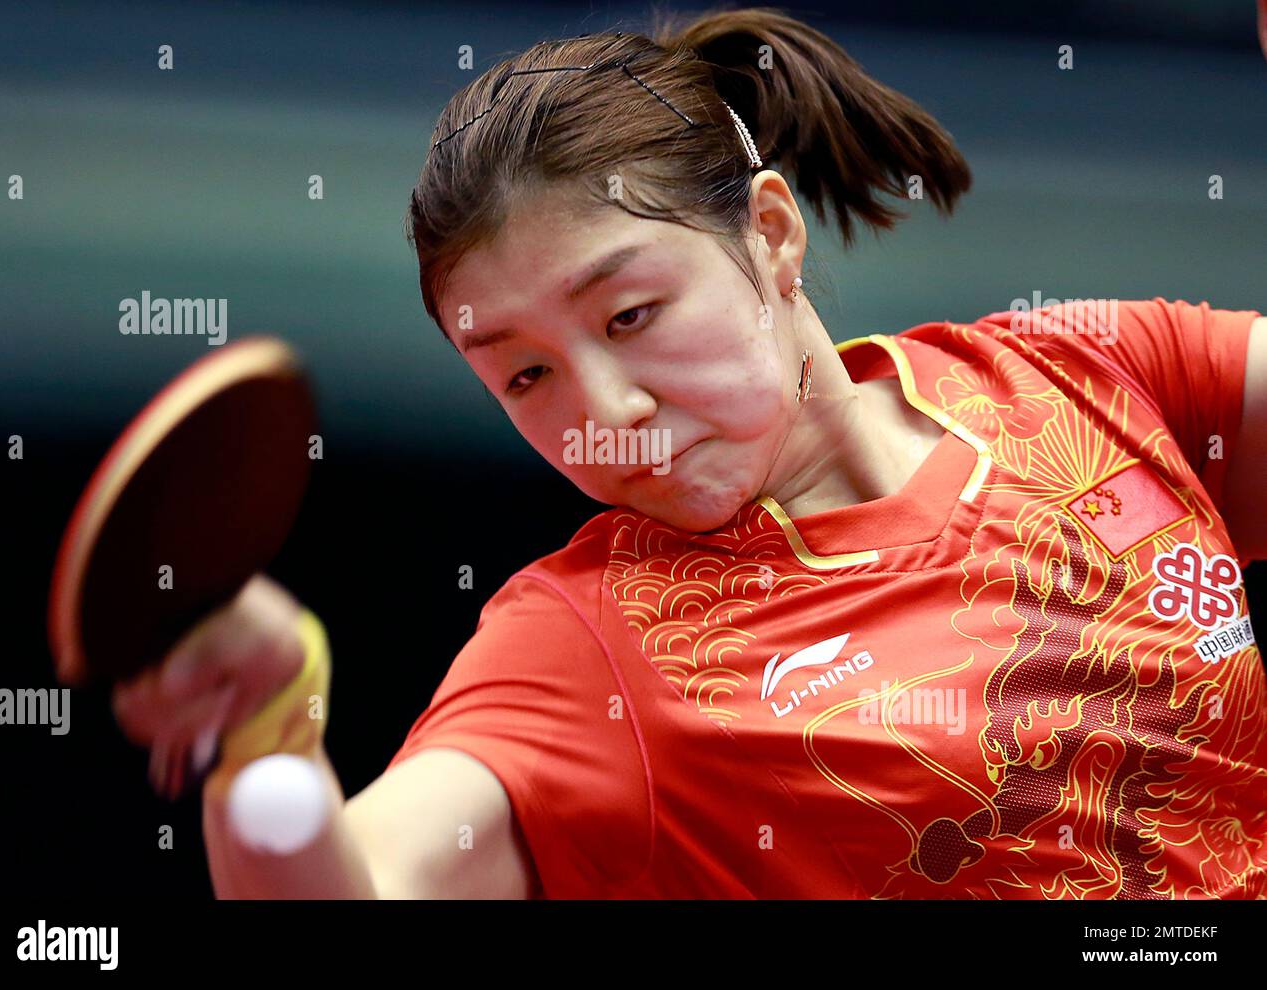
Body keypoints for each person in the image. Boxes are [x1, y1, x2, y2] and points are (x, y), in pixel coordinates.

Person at [110, 7, 1267, 899]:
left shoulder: (1085, 374)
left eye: (628, 317)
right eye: (523, 375)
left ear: (769, 236)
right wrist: (271, 737)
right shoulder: (588, 647)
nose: (600, 408)